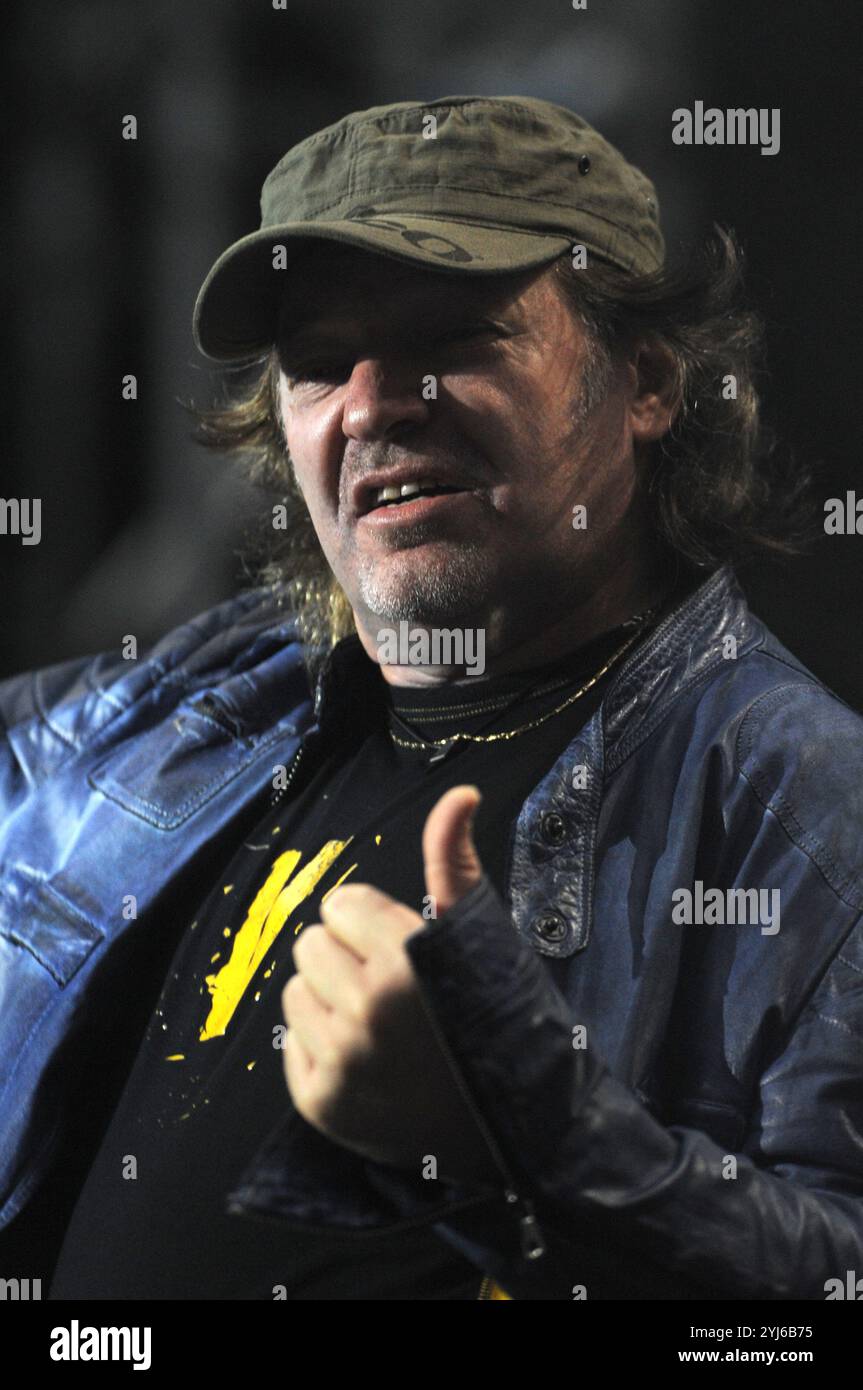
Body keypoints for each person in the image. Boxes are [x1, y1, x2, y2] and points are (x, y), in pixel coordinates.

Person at [1, 95, 861, 1301]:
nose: (369, 404)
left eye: (451, 336)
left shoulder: (802, 805)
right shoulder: (206, 695)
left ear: (647, 379)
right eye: (314, 363)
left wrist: (521, 1134)